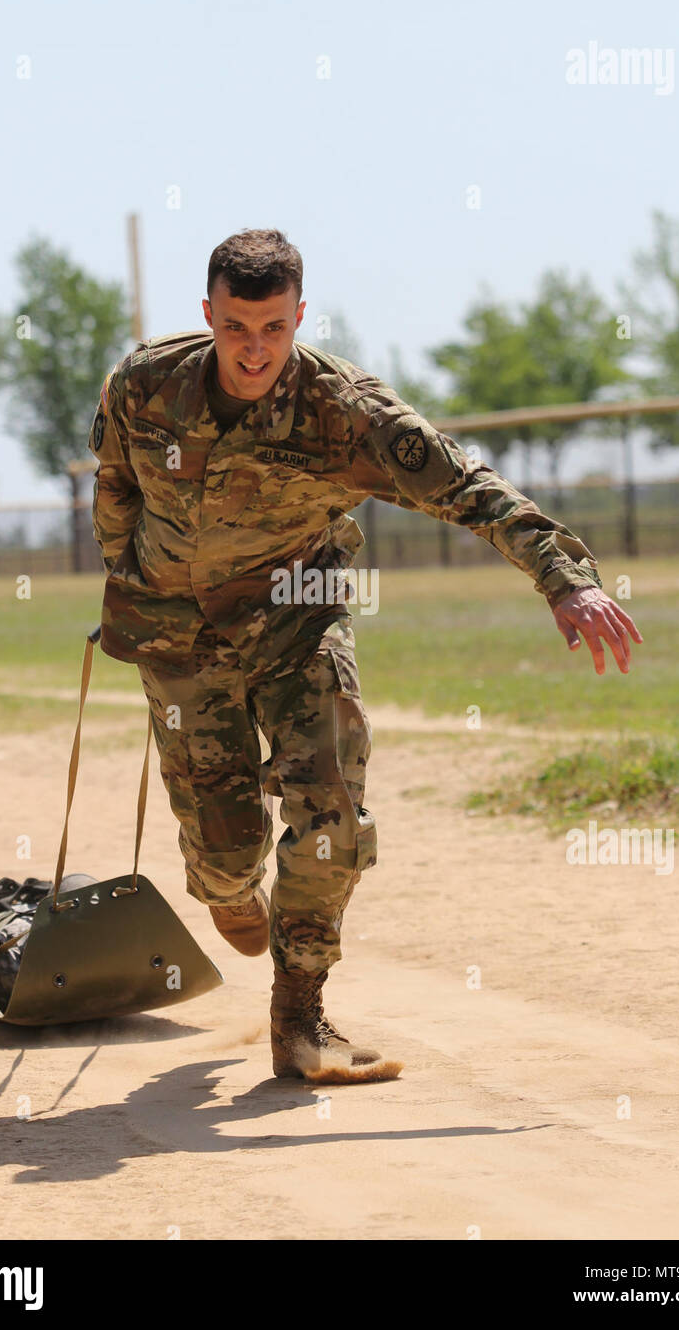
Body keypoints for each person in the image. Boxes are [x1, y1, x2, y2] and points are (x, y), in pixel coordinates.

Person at [87, 228, 641, 1084]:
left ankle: (300, 1021)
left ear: (300, 317)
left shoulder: (347, 413)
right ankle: (230, 888)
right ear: (208, 314)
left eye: (274, 328)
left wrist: (565, 580)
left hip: (295, 615)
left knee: (333, 810)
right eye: (237, 327)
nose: (255, 350)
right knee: (227, 852)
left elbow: (466, 486)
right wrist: (123, 576)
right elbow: (114, 478)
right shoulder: (144, 384)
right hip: (177, 635)